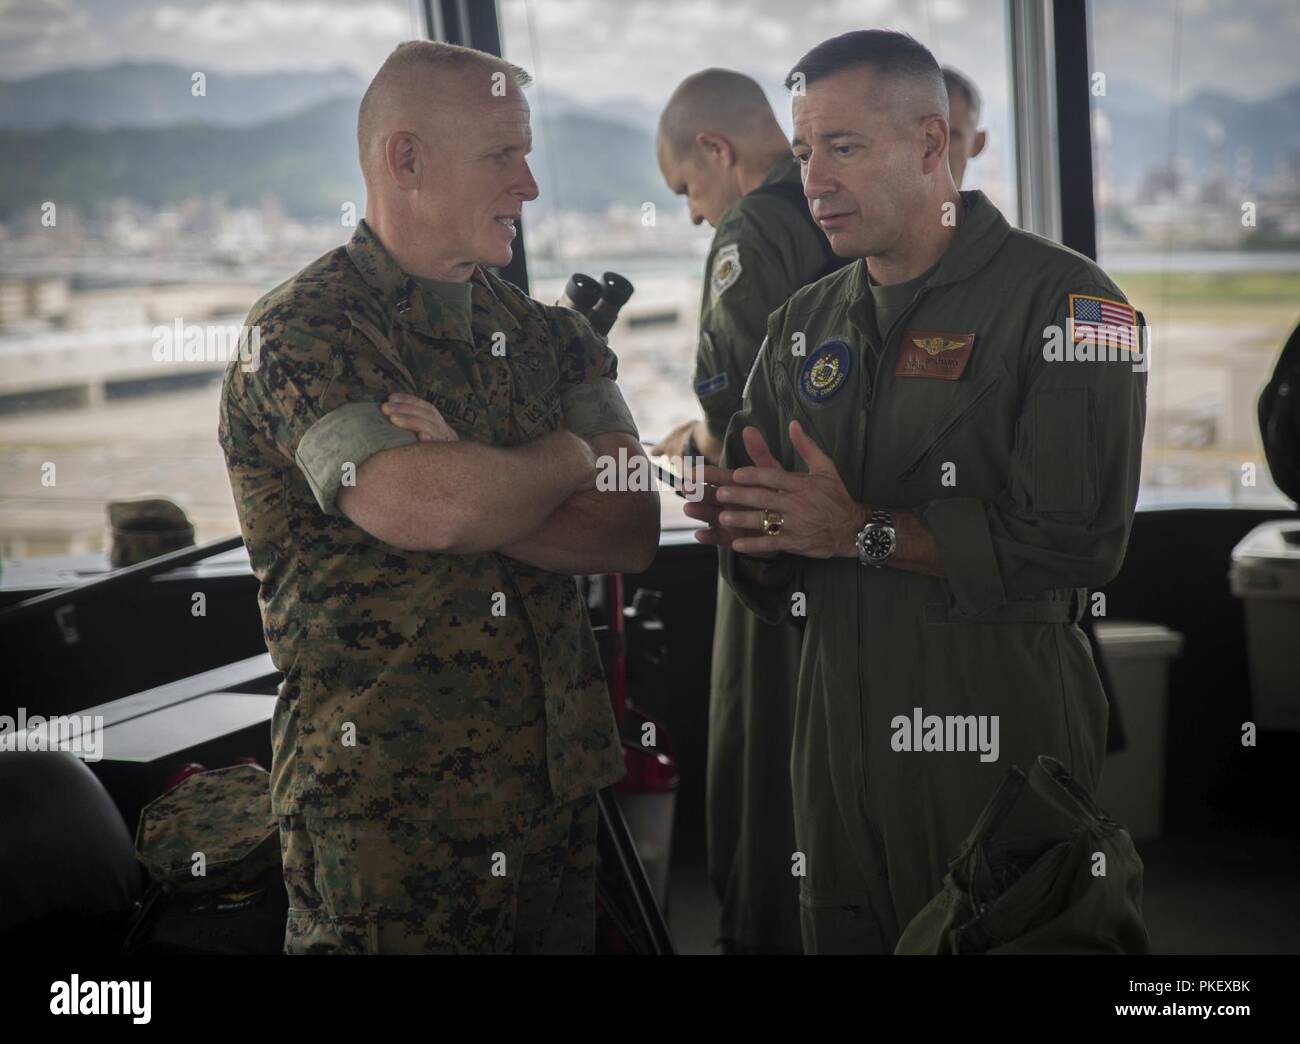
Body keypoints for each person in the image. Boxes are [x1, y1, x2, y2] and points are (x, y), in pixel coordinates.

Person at [688, 29, 1148, 953]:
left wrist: (862, 532)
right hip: (835, 748)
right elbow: (777, 553)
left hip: (996, 745)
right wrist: (750, 530)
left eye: (845, 148)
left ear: (933, 145)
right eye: (808, 149)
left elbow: (1076, 544)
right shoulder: (797, 326)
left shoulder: (1082, 307)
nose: (814, 178)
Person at [218, 40, 659, 954]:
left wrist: (476, 471)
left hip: (554, 798)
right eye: (504, 155)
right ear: (406, 159)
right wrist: (568, 455)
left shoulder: (550, 335)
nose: (530, 185)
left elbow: (630, 523)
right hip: (387, 822)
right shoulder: (304, 330)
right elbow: (425, 510)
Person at [651, 68, 846, 954]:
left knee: (763, 769)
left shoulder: (754, 227)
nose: (694, 214)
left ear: (716, 151)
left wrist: (692, 444)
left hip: (776, 551)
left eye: (688, 189)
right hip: (851, 550)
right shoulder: (842, 217)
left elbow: (750, 420)